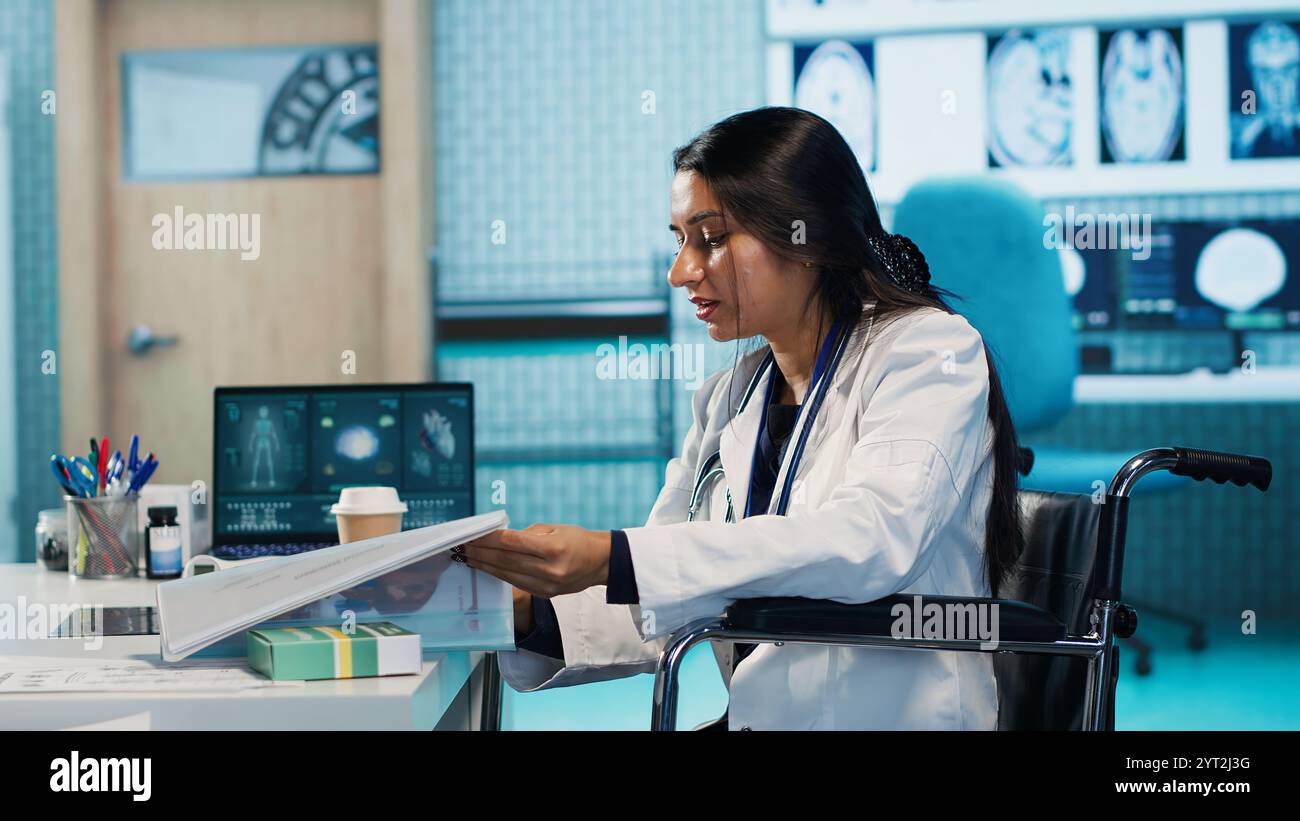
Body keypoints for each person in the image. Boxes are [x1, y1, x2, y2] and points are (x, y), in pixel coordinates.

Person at [458, 106, 1024, 730]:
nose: (681, 272)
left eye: (712, 237)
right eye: (679, 240)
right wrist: (528, 607)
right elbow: (664, 589)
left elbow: (872, 540)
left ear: (806, 238)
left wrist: (613, 556)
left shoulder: (928, 353)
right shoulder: (733, 394)